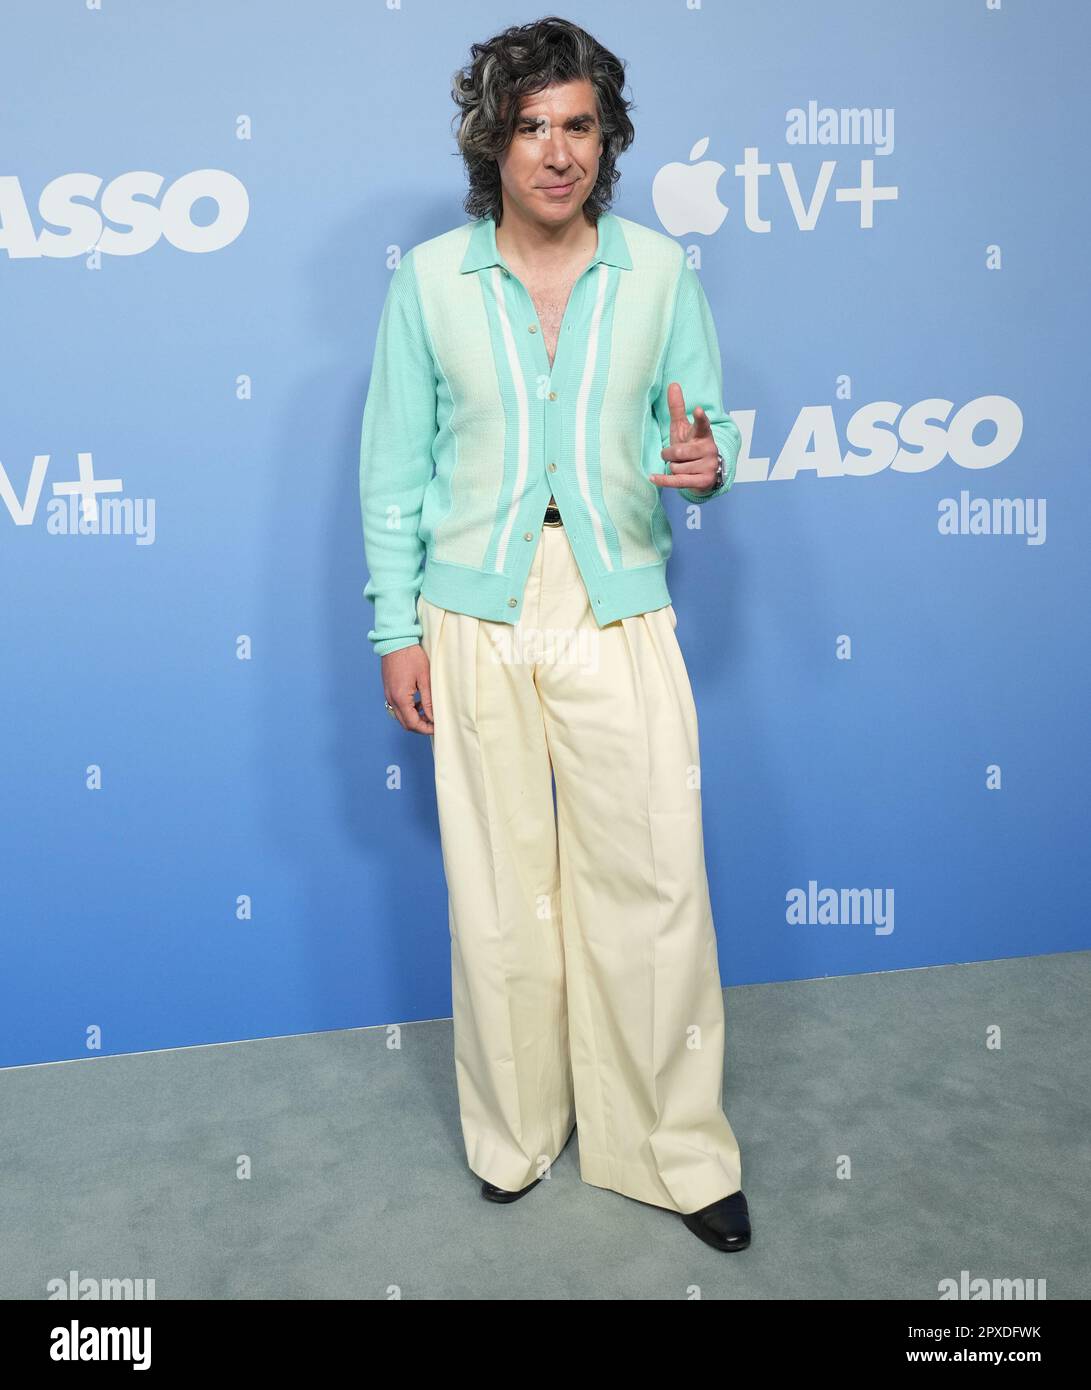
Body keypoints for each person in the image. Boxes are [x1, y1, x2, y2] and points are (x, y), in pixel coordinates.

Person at [359, 15, 750, 1253]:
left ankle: (672, 1152)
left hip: (614, 596)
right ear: (493, 139)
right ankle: (516, 1132)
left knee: (652, 881)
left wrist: (703, 465)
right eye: (531, 125)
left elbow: (697, 433)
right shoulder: (428, 280)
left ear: (605, 140)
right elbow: (392, 472)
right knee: (497, 889)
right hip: (467, 612)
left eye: (578, 125)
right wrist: (393, 628)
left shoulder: (657, 270)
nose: (556, 151)